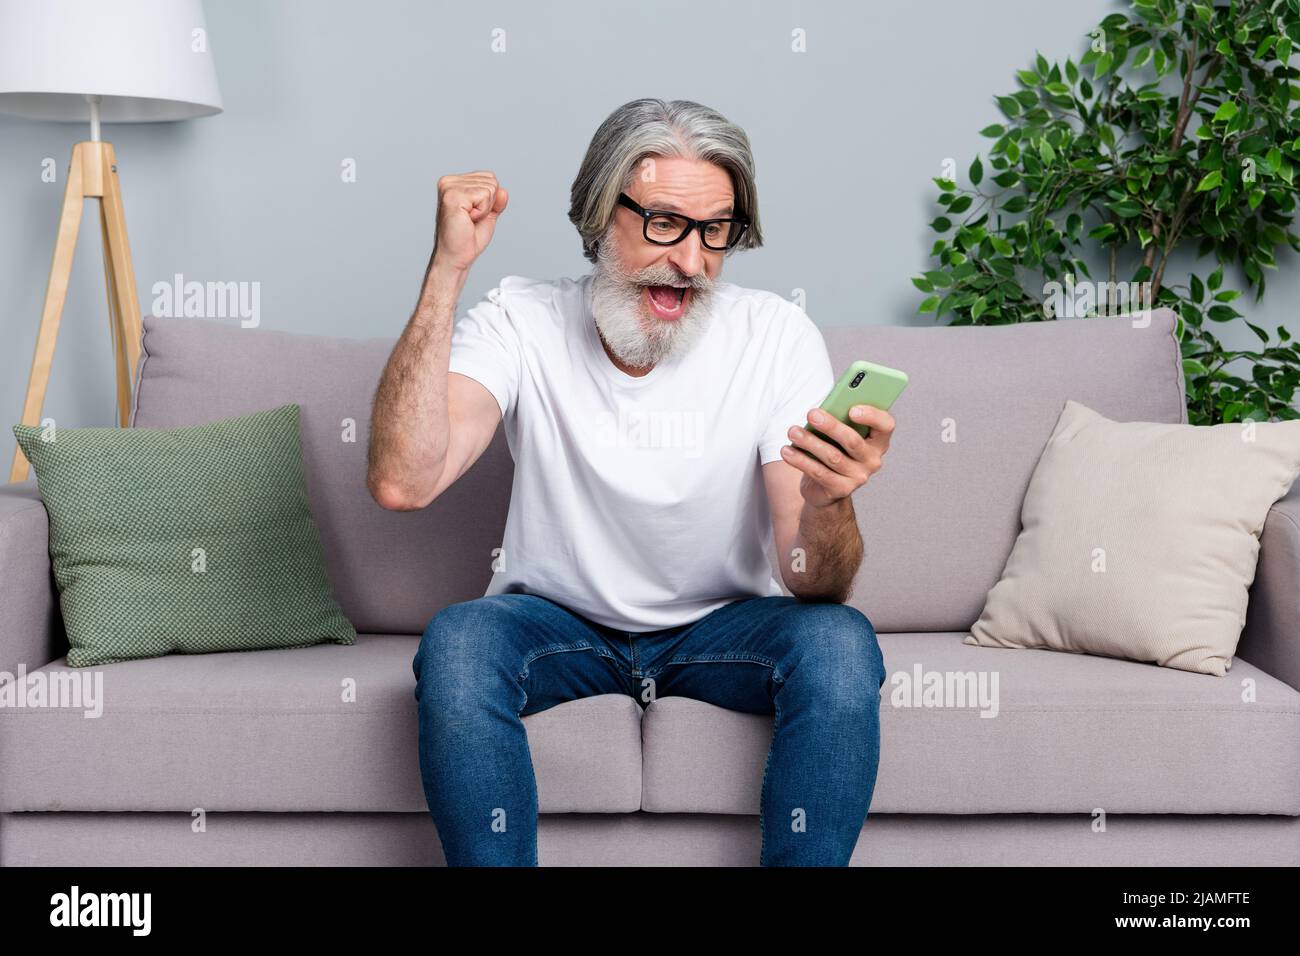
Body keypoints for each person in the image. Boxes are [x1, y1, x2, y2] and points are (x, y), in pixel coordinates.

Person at [367, 98, 894, 866]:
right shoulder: (521, 320)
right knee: (460, 642)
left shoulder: (775, 336)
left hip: (727, 628)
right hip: (560, 625)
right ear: (598, 212)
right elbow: (402, 483)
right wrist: (448, 272)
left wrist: (828, 501)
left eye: (716, 232)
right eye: (665, 223)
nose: (690, 260)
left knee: (841, 644)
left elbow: (814, 581)